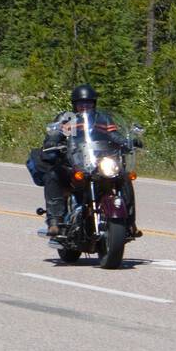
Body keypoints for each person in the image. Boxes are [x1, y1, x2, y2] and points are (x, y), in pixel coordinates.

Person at [33, 84, 139, 237]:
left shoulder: (102, 118)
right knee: (53, 174)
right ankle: (55, 220)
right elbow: (55, 135)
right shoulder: (69, 118)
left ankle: (129, 223)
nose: (84, 106)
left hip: (99, 163)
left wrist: (128, 143)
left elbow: (114, 135)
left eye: (88, 103)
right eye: (81, 103)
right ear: (74, 104)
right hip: (75, 163)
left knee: (124, 177)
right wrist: (52, 141)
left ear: (94, 104)